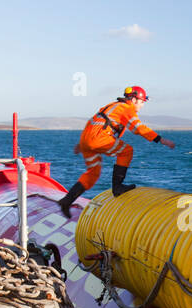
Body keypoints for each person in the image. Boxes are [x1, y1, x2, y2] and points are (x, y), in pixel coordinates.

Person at [58, 85, 176, 216]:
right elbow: (138, 128)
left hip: (88, 138)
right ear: (134, 100)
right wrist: (160, 139)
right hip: (98, 139)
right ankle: (118, 187)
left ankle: (66, 201)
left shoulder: (113, 106)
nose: (142, 105)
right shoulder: (126, 108)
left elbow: (95, 122)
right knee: (126, 151)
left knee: (93, 174)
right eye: (142, 102)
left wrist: (82, 144)